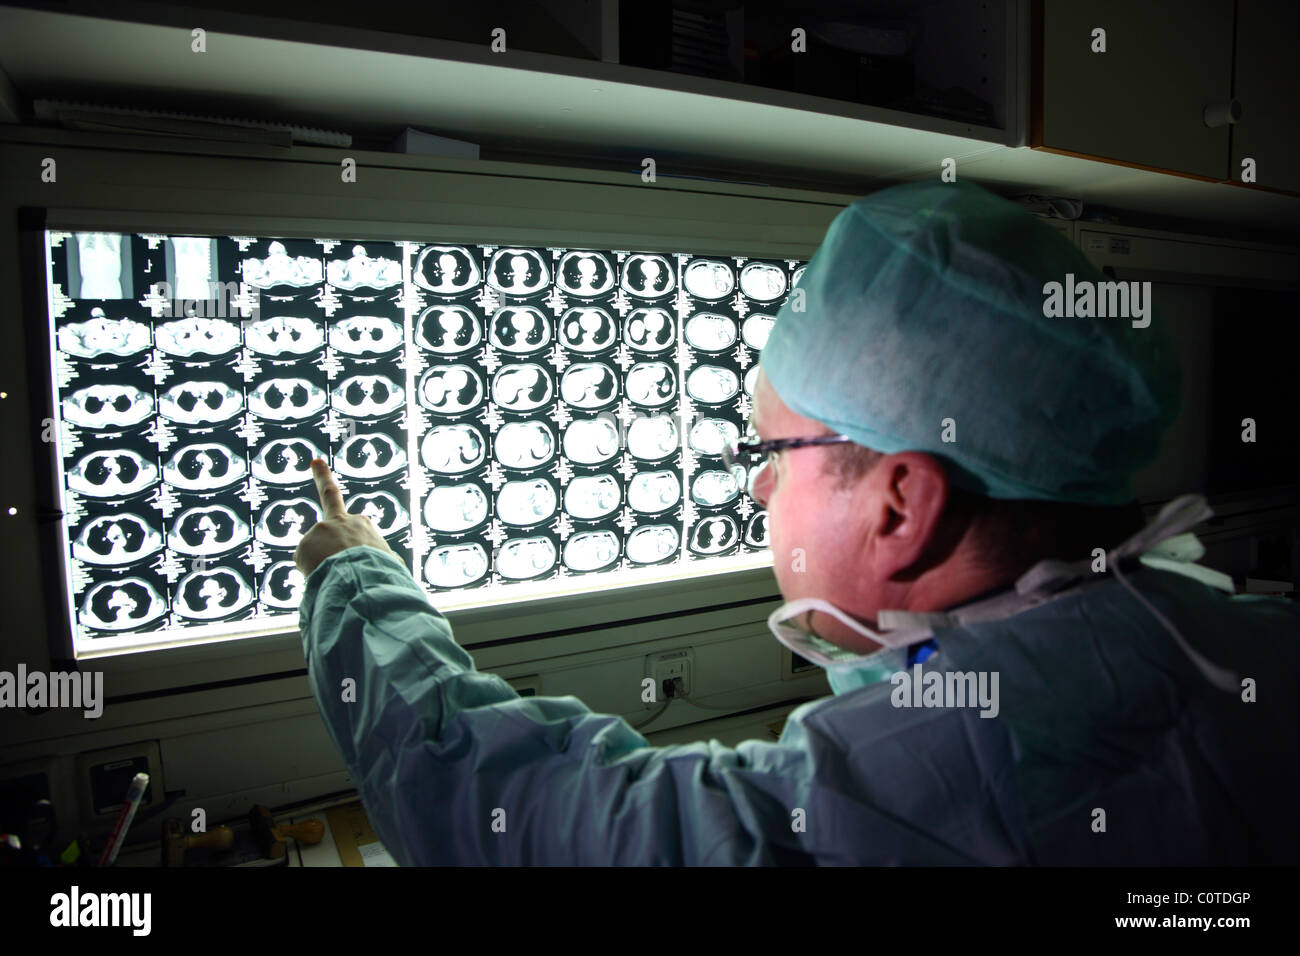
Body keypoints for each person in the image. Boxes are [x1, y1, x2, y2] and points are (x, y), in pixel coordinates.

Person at [295, 180, 1300, 865]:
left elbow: (520, 819)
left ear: (902, 504)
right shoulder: (1237, 640)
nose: (757, 493)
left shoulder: (912, 792)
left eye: (769, 454)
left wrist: (355, 579)